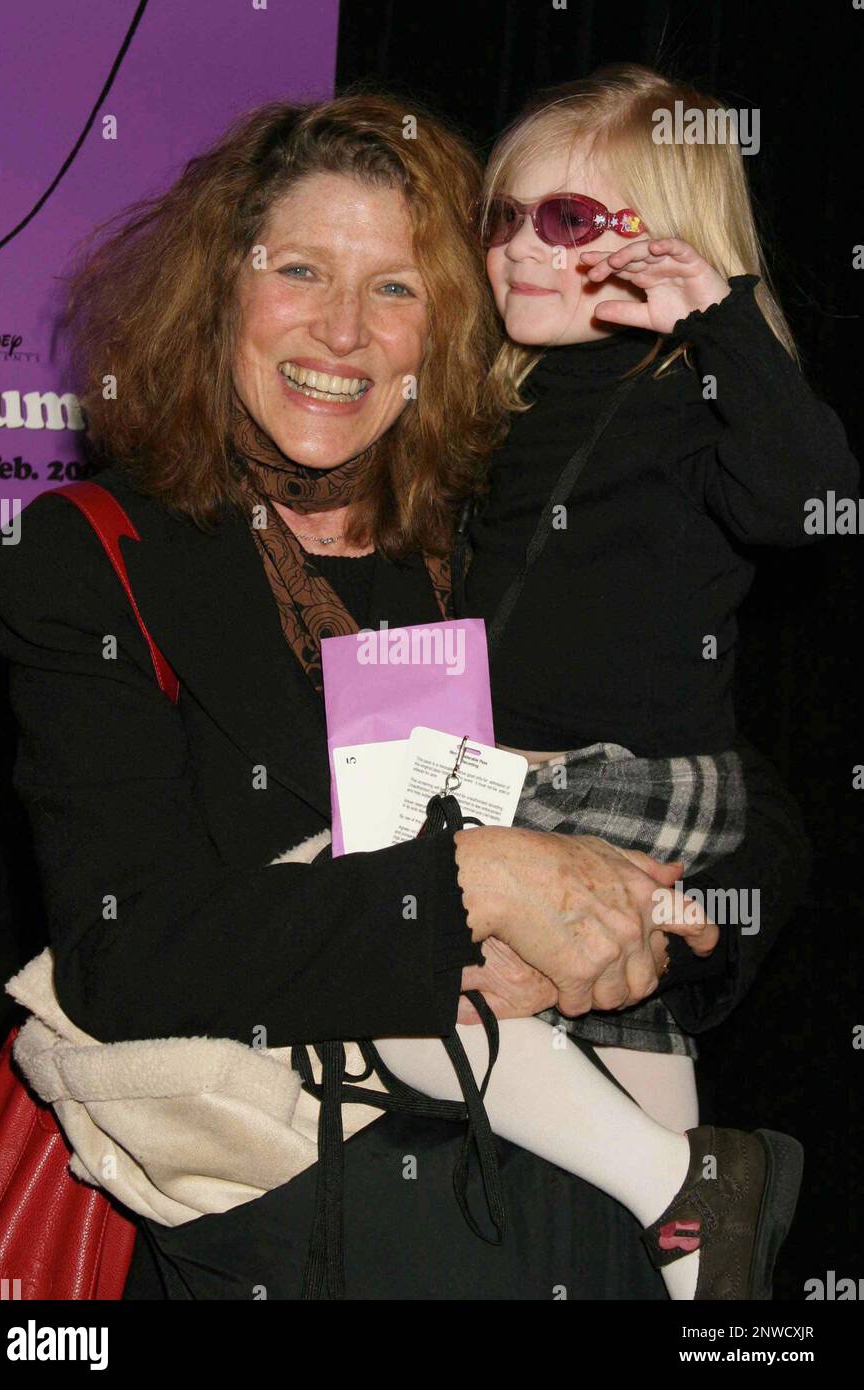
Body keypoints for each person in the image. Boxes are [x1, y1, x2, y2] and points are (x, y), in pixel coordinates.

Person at [0, 90, 808, 1301]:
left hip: (573, 1220)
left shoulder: (484, 521)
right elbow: (126, 950)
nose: (344, 331)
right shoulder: (89, 555)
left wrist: (668, 918)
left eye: (397, 289)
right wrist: (473, 890)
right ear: (220, 294)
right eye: (301, 270)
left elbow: (731, 782)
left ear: (449, 326)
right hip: (317, 1237)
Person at [374, 64, 858, 1299]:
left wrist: (721, 316)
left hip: (630, 786)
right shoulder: (493, 397)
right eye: (504, 214)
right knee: (665, 1226)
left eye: (573, 222)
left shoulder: (694, 394)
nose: (524, 251)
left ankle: (684, 1188)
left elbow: (814, 508)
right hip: (515, 784)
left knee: (389, 989)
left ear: (668, 237)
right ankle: (701, 1208)